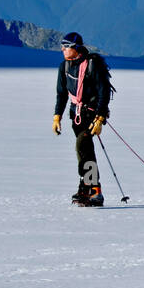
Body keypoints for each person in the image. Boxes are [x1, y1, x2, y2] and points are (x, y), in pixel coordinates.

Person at [52, 32, 113, 206]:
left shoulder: (92, 65)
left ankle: (94, 189)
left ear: (76, 48)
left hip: (91, 114)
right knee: (84, 151)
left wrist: (100, 117)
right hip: (76, 115)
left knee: (82, 146)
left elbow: (103, 92)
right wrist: (58, 116)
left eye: (66, 46)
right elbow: (62, 94)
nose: (63, 49)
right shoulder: (64, 67)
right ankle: (86, 186)